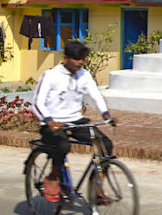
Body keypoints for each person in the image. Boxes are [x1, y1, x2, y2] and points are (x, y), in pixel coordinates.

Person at [30, 40, 118, 203]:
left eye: (82, 59)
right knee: (64, 145)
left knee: (105, 144)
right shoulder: (50, 75)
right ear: (66, 58)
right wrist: (49, 121)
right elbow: (37, 103)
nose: (80, 62)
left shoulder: (84, 75)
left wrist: (106, 114)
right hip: (52, 123)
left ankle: (98, 189)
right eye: (77, 59)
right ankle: (53, 178)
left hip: (76, 121)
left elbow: (96, 95)